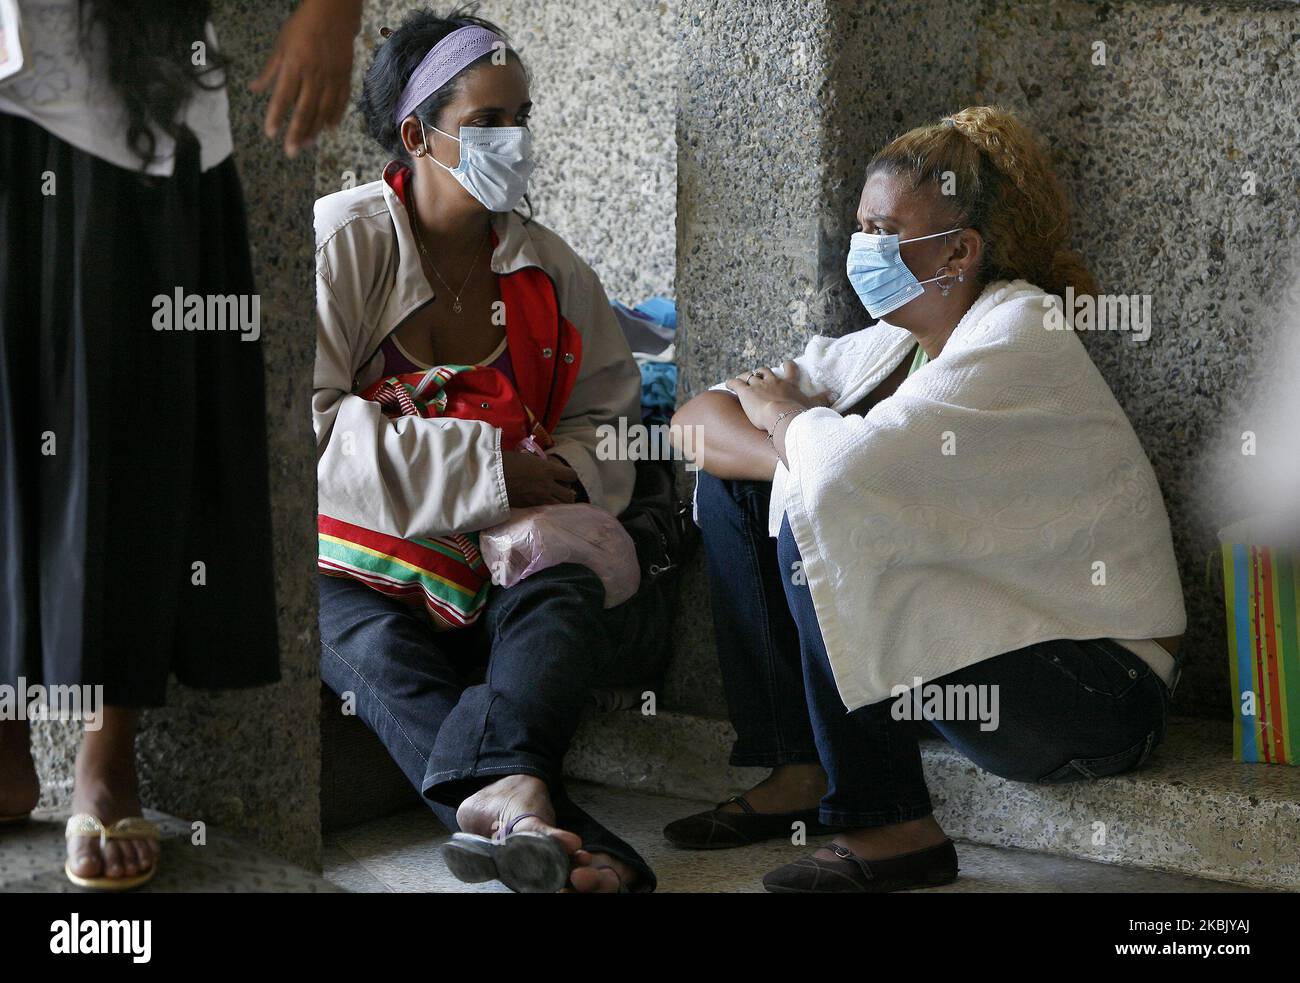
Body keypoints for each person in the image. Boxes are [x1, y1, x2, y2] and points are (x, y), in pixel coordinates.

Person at [665, 106, 1186, 893]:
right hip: (991, 666)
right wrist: (792, 449)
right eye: (860, 225)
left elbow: (828, 471)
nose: (861, 248)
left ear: (958, 252)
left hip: (1098, 693)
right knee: (744, 488)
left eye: (883, 230)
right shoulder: (892, 341)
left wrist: (789, 423)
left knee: (826, 512)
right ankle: (802, 766)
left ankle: (892, 825)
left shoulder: (1019, 331)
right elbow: (695, 421)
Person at [0, 0, 363, 889]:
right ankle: (4, 749)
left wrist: (333, 11)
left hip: (123, 102)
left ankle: (105, 752)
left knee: (124, 420)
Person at [314, 7, 671, 893]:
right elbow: (304, 428)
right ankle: (549, 828)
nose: (513, 141)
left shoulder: (547, 268)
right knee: (368, 647)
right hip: (352, 552)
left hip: (505, 545)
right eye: (486, 123)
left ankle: (515, 800)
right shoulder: (342, 243)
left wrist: (564, 478)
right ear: (416, 135)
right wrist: (485, 470)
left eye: (521, 119)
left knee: (557, 589)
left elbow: (609, 415)